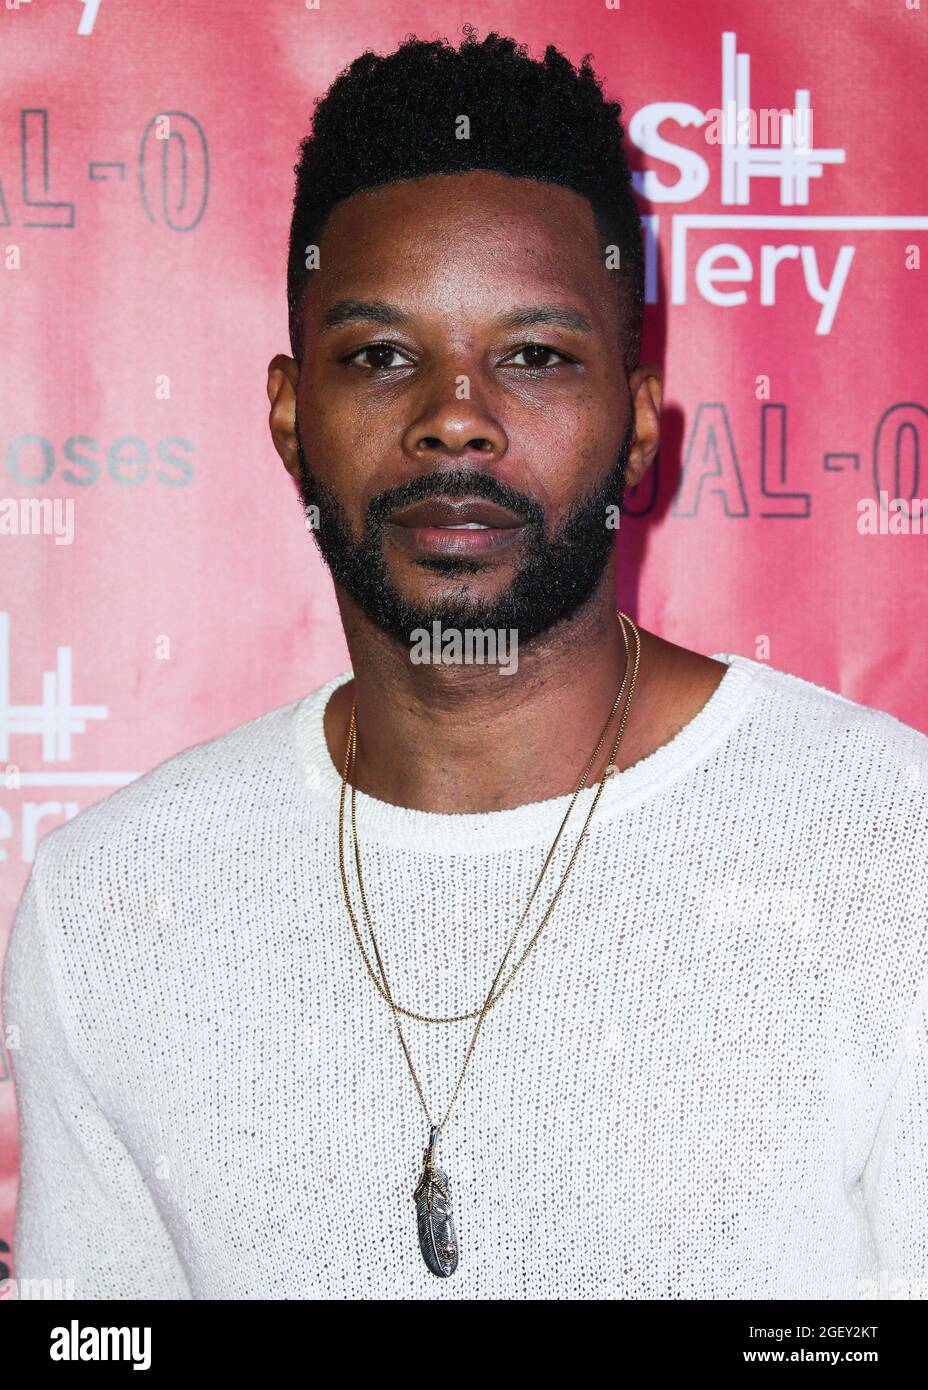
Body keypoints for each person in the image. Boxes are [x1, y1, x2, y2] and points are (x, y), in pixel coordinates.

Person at [4, 29, 927, 1301]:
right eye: (381, 354)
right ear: (289, 414)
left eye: (535, 355)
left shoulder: (890, 846)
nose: (455, 413)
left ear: (642, 421)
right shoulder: (110, 902)